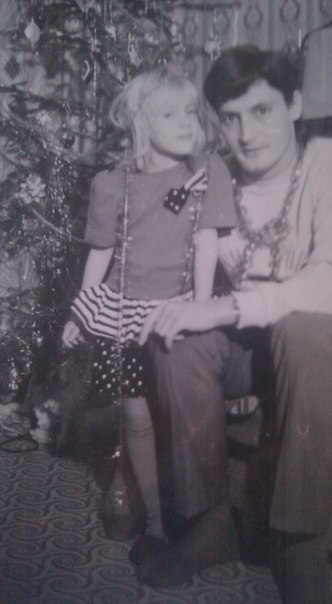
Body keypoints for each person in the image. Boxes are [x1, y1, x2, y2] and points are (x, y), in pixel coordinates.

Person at [137, 38, 332, 602]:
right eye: (230, 119)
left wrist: (226, 307)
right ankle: (210, 524)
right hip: (257, 341)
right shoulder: (217, 179)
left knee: (301, 329)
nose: (247, 134)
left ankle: (299, 541)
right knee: (176, 341)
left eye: (261, 111)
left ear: (294, 105)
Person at [61, 62, 236, 565]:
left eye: (191, 112)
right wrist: (81, 312)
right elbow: (100, 253)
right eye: (169, 114)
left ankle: (192, 519)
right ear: (140, 121)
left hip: (176, 309)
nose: (186, 123)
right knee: (136, 415)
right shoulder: (113, 183)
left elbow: (207, 244)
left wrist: (199, 307)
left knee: (176, 413)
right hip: (123, 310)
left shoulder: (207, 171)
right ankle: (155, 521)